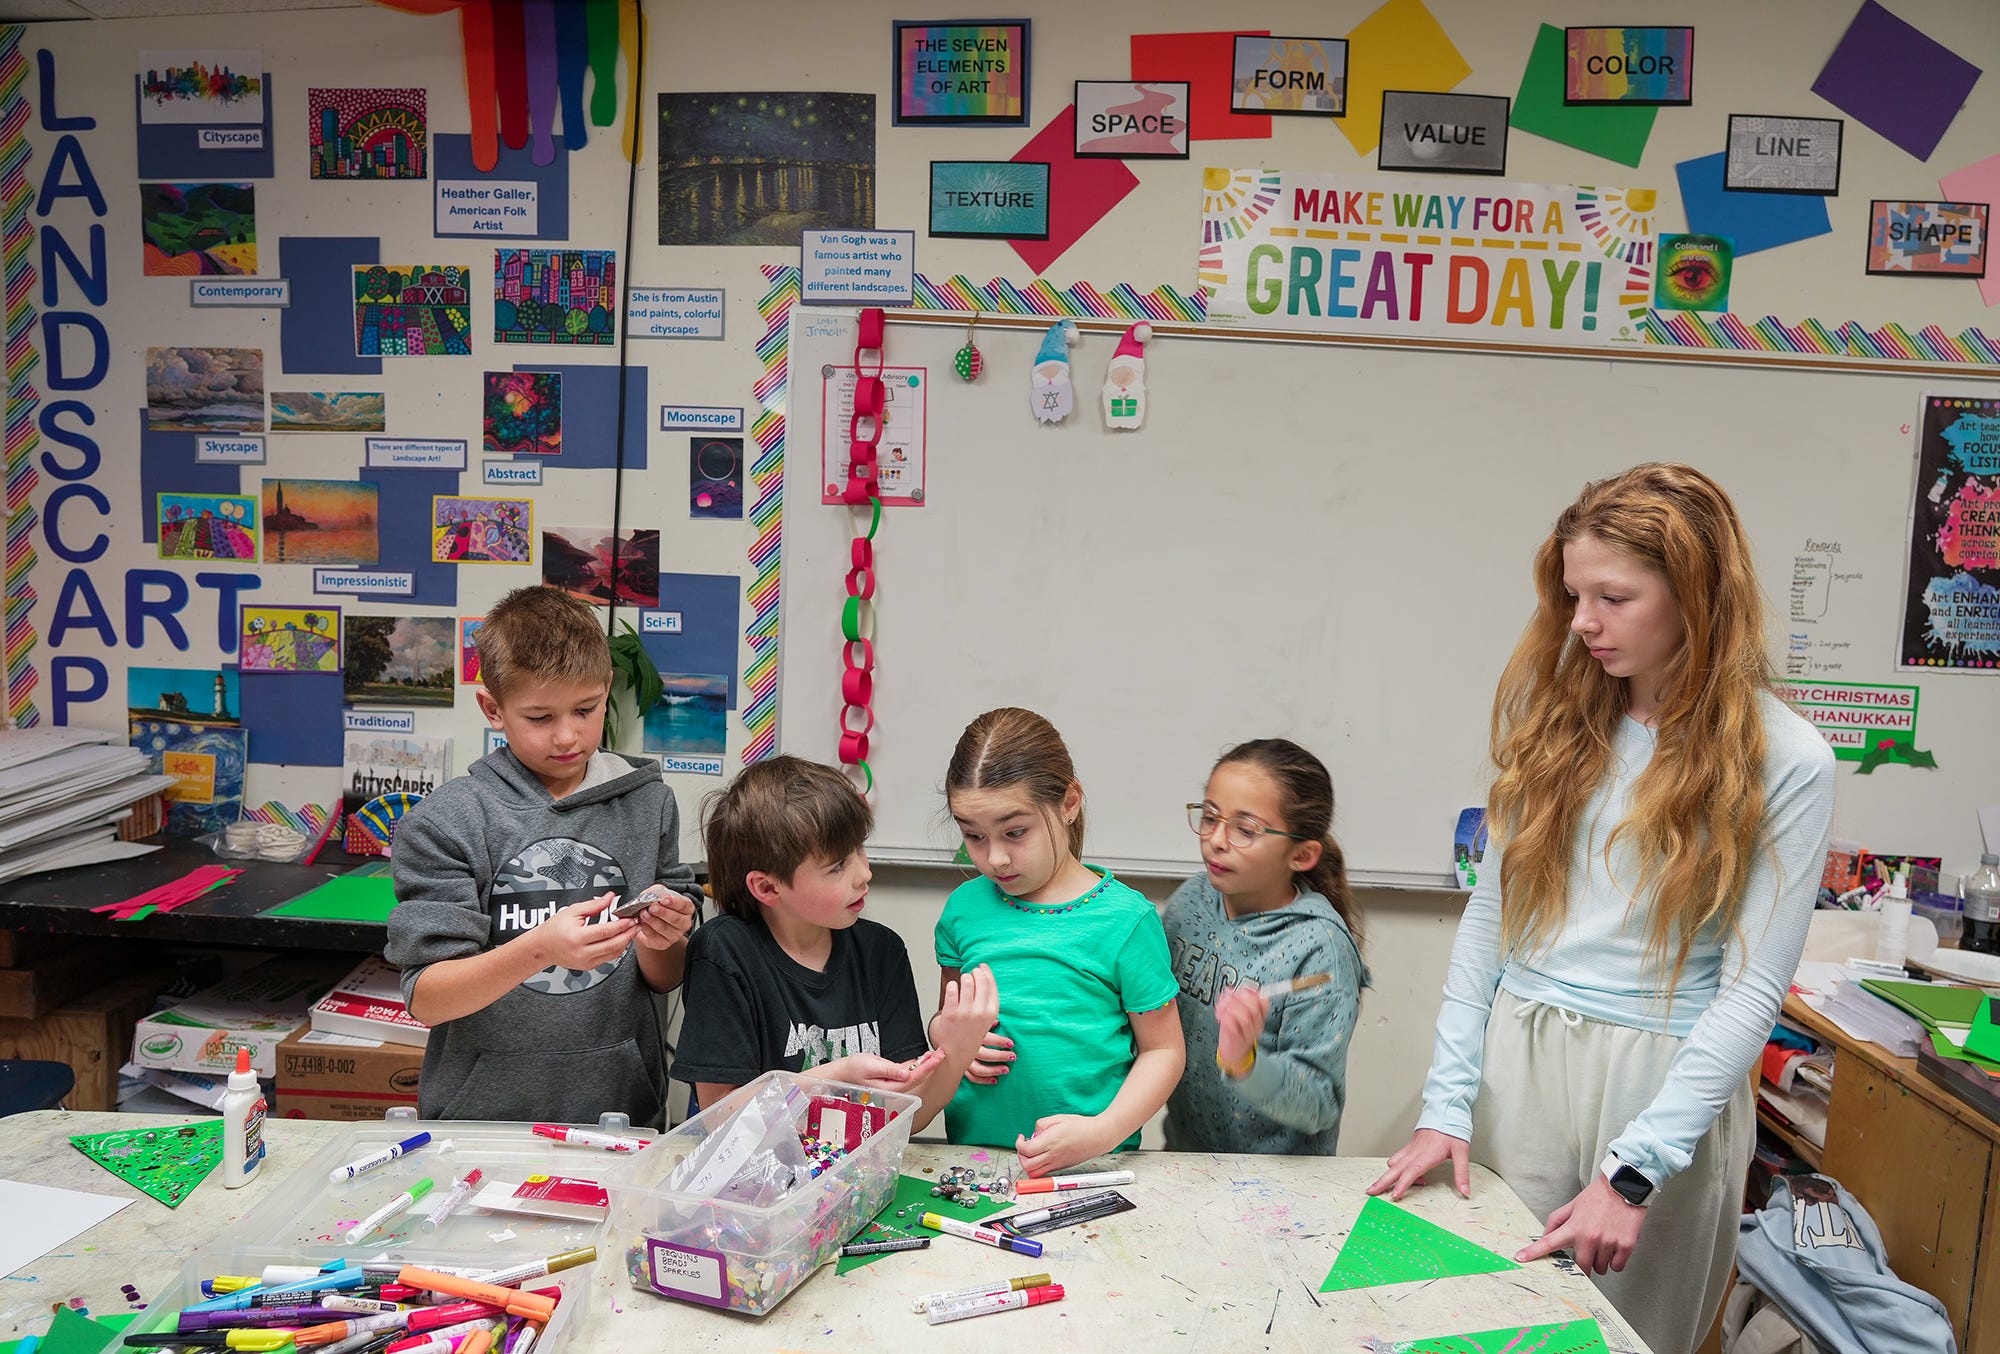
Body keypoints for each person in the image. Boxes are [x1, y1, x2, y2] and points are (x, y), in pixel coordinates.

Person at [1368, 463, 1837, 1354]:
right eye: (1576, 595)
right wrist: (1446, 1104)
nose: (1583, 622)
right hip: (1522, 1062)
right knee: (1474, 1329)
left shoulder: (1789, 759)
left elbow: (1750, 991)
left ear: (1696, 595)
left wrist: (1633, 1177)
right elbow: (1490, 928)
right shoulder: (1560, 724)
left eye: (1614, 597)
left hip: (1662, 1087)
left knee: (1627, 1340)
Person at [386, 585, 699, 1126]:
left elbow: (666, 977)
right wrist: (541, 949)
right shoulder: (445, 823)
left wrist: (665, 935)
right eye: (538, 717)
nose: (567, 735)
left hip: (619, 1111)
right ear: (493, 709)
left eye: (586, 709)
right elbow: (428, 998)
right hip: (480, 1119)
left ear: (607, 692)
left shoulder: (649, 804)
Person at [674, 756, 996, 1132]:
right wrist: (834, 1077)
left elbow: (908, 1120)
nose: (865, 873)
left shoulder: (882, 951)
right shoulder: (723, 952)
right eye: (837, 866)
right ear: (766, 887)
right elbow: (720, 1117)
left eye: (860, 849)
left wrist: (956, 1054)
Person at [936, 707, 1186, 1175]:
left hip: (1089, 1164)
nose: (995, 857)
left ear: (1069, 803)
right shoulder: (963, 910)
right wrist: (948, 1040)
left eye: (1016, 832)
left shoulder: (1125, 919)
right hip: (973, 1163)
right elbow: (945, 1017)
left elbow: (1164, 1051)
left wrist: (1102, 1131)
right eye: (973, 835)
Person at [1163, 739, 1369, 1155]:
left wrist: (1246, 1063)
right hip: (1186, 1162)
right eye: (1209, 817)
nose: (1216, 840)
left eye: (1245, 829)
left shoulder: (1320, 948)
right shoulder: (1191, 900)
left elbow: (1319, 1105)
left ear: (1302, 854)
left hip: (1278, 1186)